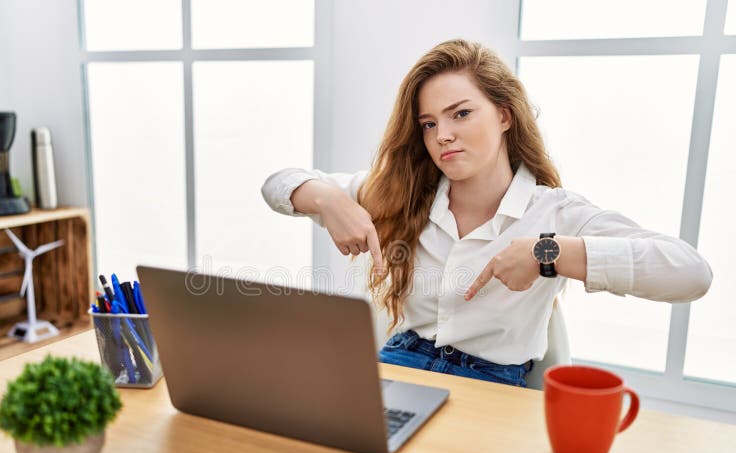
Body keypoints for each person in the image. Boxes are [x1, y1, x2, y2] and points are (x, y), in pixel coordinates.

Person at [261, 39, 712, 388]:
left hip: (495, 386)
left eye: (460, 114)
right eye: (430, 124)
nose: (443, 136)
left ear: (504, 115)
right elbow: (278, 182)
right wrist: (326, 198)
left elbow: (691, 273)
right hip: (401, 366)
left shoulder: (554, 211)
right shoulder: (402, 193)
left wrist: (547, 253)